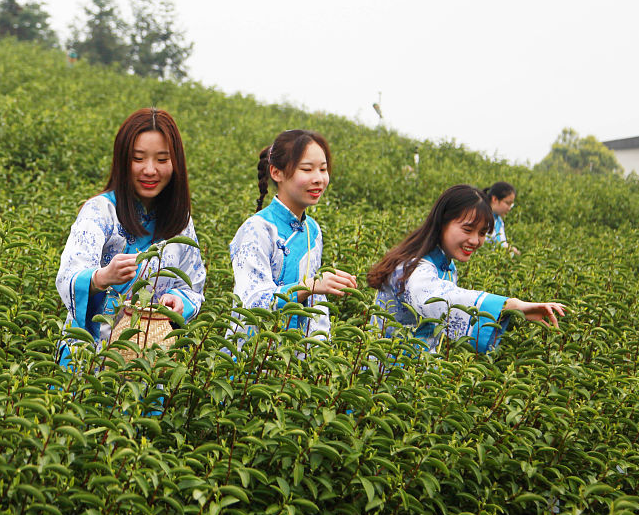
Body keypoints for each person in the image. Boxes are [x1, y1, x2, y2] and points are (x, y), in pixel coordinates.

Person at [55, 108, 206, 366]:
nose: (150, 170)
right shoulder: (100, 211)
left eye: (162, 159)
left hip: (150, 360)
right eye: (138, 159)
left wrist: (178, 302)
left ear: (176, 163)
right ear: (123, 161)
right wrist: (103, 277)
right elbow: (68, 275)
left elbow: (193, 287)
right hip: (89, 356)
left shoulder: (180, 222)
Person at [368, 184, 565, 354]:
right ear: (442, 222)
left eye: (482, 233)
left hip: (417, 372)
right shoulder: (413, 268)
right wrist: (510, 305)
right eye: (467, 229)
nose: (475, 241)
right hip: (389, 372)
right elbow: (440, 299)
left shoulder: (444, 264)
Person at [229, 129, 357, 341]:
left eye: (323, 169)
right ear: (276, 172)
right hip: (255, 356)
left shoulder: (312, 231)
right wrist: (309, 287)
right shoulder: (257, 229)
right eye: (306, 169)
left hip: (299, 359)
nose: (318, 179)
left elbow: (317, 310)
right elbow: (250, 301)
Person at [483, 181, 521, 256]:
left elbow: (501, 242)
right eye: (507, 203)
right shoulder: (481, 217)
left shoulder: (499, 221)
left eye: (511, 204)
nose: (509, 208)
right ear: (495, 199)